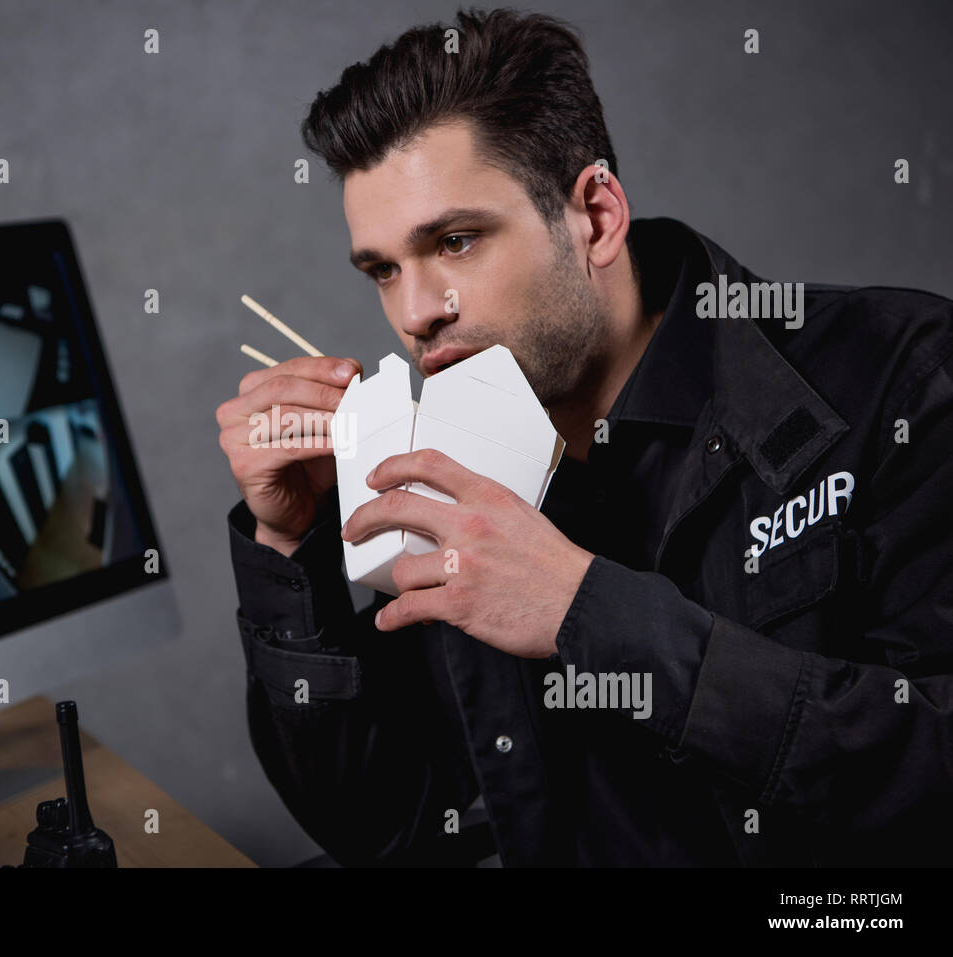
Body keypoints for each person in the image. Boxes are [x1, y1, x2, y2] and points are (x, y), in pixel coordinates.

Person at [214, 8, 953, 866]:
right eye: (383, 269)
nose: (414, 314)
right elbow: (392, 830)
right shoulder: (448, 465)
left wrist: (586, 612)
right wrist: (286, 545)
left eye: (455, 241)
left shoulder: (898, 376)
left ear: (597, 216)